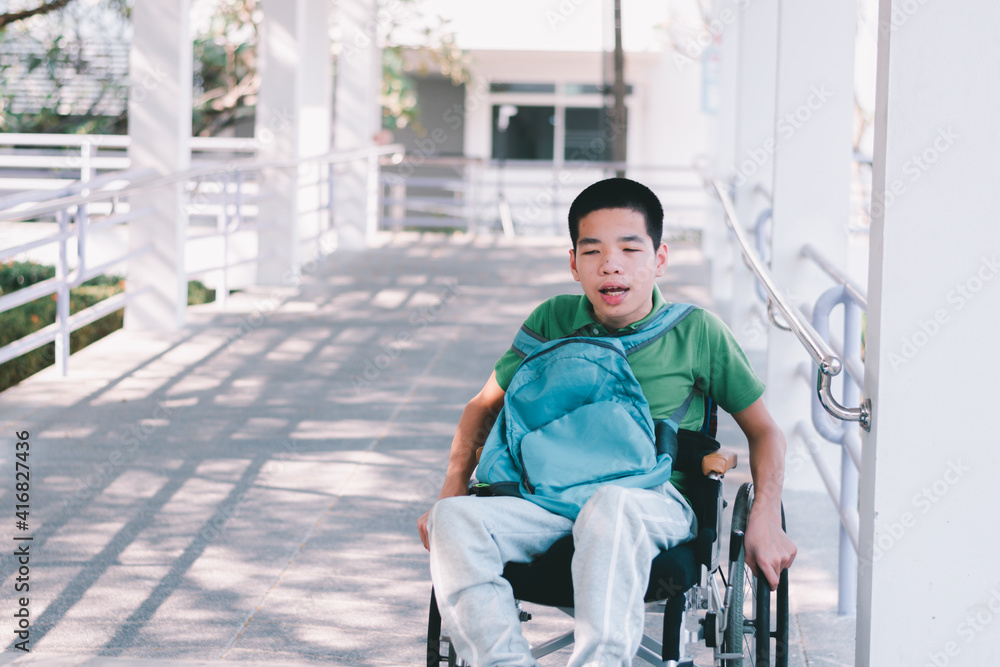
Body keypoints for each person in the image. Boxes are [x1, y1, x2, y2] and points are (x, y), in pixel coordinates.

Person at [417, 177, 796, 666]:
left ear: (659, 259)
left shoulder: (697, 332)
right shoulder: (552, 320)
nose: (610, 264)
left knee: (610, 505)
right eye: (592, 251)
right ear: (574, 264)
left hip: (651, 499)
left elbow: (764, 430)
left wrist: (764, 515)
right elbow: (482, 406)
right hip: (547, 499)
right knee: (452, 520)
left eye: (630, 249)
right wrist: (452, 487)